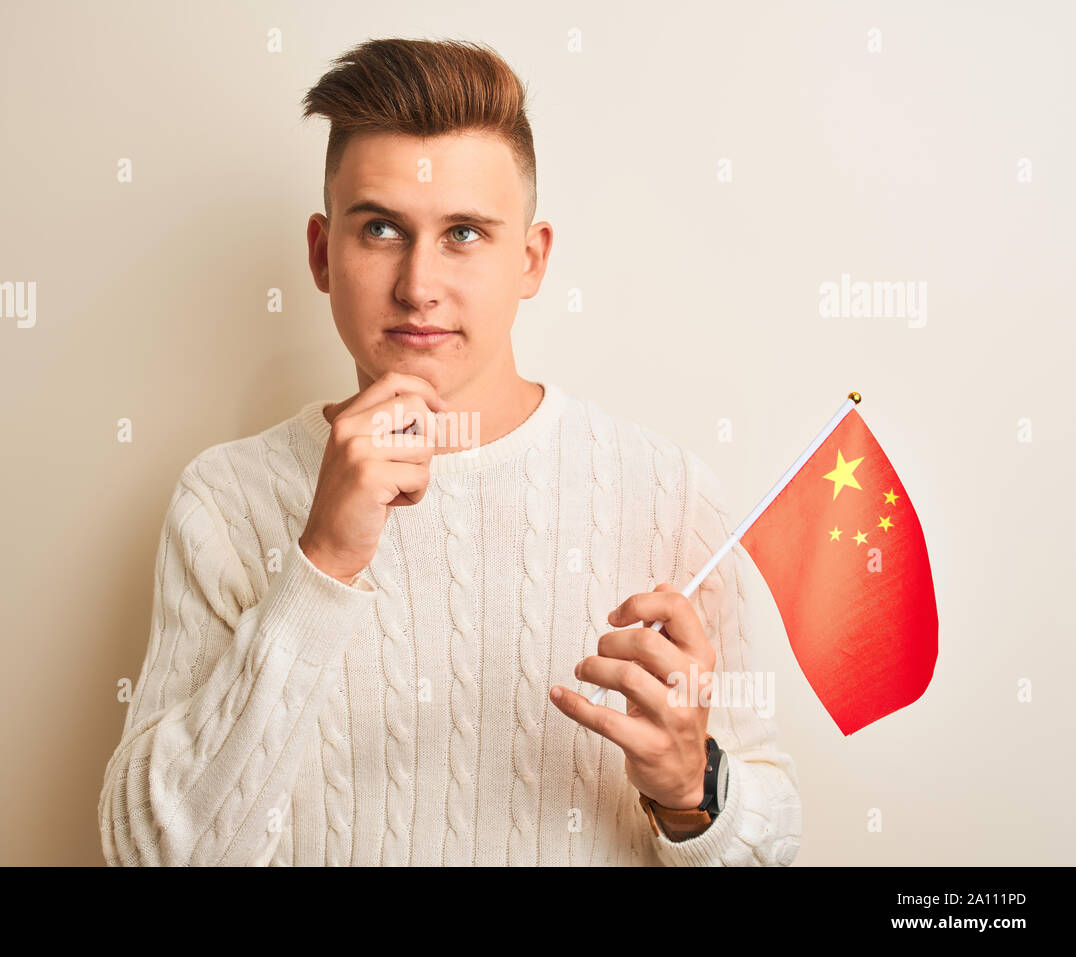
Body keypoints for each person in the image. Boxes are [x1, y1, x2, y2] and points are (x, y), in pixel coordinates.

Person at [98, 37, 802, 866]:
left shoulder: (670, 494)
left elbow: (773, 847)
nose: (418, 283)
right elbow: (149, 854)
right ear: (323, 252)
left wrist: (694, 791)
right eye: (383, 228)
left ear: (531, 259)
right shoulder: (224, 500)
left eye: (464, 232)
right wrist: (320, 565)